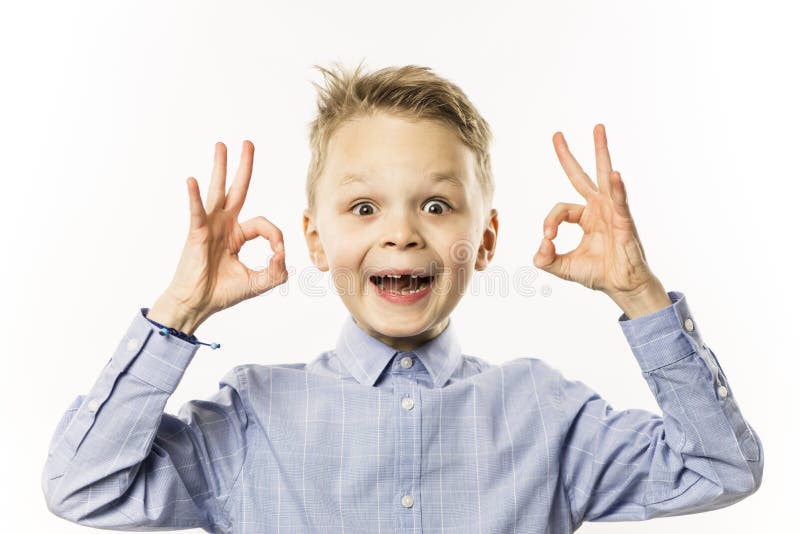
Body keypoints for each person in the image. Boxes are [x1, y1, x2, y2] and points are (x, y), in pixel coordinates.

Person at [41, 62, 763, 533]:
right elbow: (81, 486)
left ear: (484, 242)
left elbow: (721, 468)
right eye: (363, 209)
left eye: (438, 205)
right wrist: (179, 311)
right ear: (316, 241)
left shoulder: (547, 415)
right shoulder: (251, 419)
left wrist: (639, 294)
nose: (401, 234)